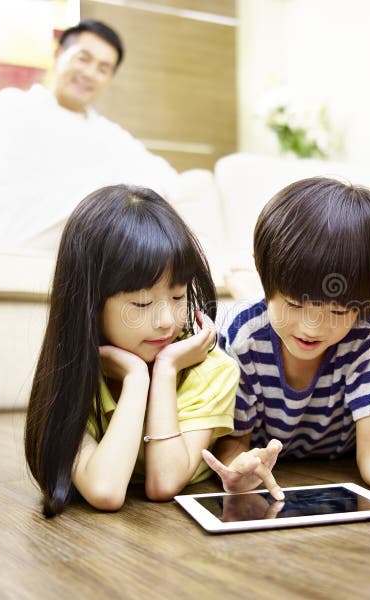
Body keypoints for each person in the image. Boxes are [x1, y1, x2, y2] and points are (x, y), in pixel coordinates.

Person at [202, 177, 370, 520]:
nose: (312, 328)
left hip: (340, 468)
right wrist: (238, 467)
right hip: (273, 483)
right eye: (296, 305)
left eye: (338, 312)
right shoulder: (244, 334)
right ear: (266, 275)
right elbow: (234, 441)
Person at [24, 184, 239, 517]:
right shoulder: (75, 377)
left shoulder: (212, 370)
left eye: (179, 296)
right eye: (141, 303)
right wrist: (137, 379)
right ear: (90, 304)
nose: (167, 321)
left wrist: (165, 370)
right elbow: (106, 491)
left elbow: (164, 484)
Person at [0, 20, 177, 249]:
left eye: (103, 69)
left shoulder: (108, 133)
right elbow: (27, 181)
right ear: (58, 54)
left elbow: (166, 179)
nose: (89, 73)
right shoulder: (15, 105)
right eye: (83, 59)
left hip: (77, 254)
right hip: (6, 240)